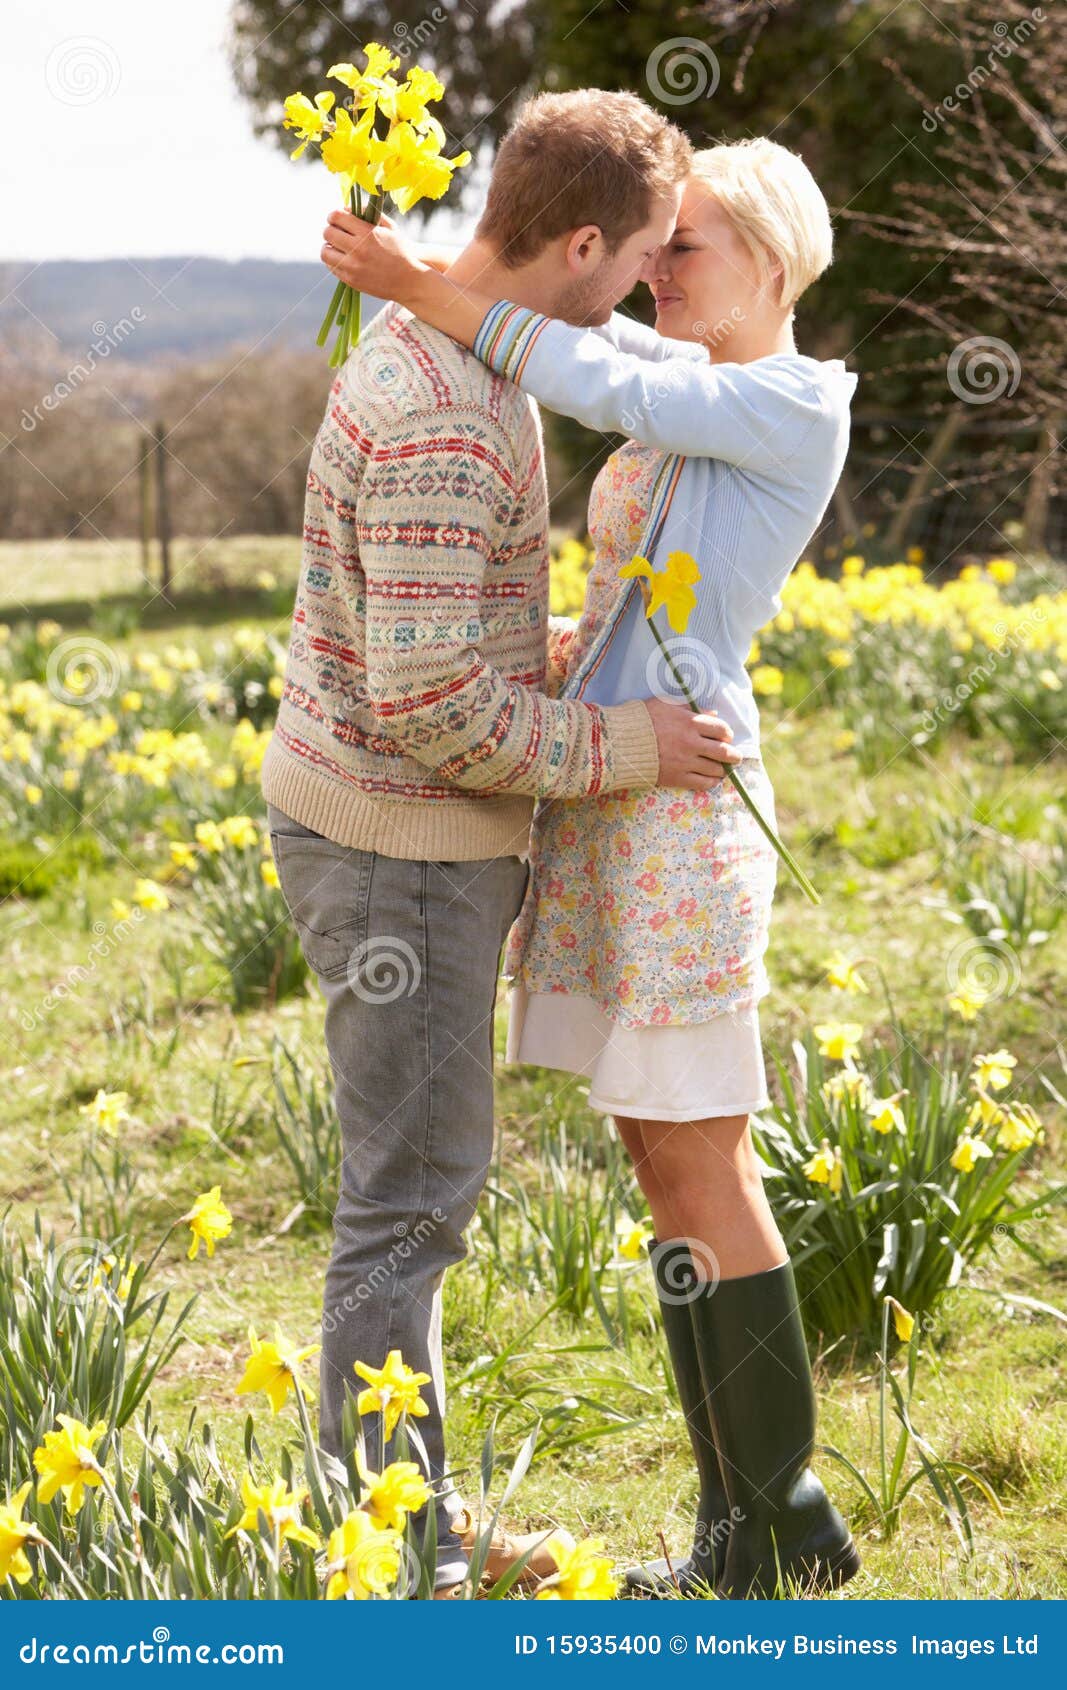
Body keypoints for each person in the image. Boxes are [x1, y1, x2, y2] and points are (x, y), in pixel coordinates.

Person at [320, 135, 862, 1599]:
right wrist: (579, 650)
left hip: (678, 804)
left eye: (686, 247)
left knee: (699, 1149)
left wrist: (412, 281)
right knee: (654, 1148)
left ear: (770, 261)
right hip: (618, 790)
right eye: (655, 245)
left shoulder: (782, 401)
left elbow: (605, 373)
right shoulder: (706, 389)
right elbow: (605, 345)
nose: (656, 268)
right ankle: (741, 1521)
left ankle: (777, 1521)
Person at [263, 89, 740, 1599]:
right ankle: (398, 1568)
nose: (651, 291)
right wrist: (625, 748)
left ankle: (412, 1529)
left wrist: (560, 638)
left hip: (413, 825)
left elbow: (430, 629)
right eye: (647, 256)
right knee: (407, 1205)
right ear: (581, 241)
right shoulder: (446, 416)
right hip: (399, 844)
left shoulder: (468, 355)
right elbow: (424, 707)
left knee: (417, 1192)